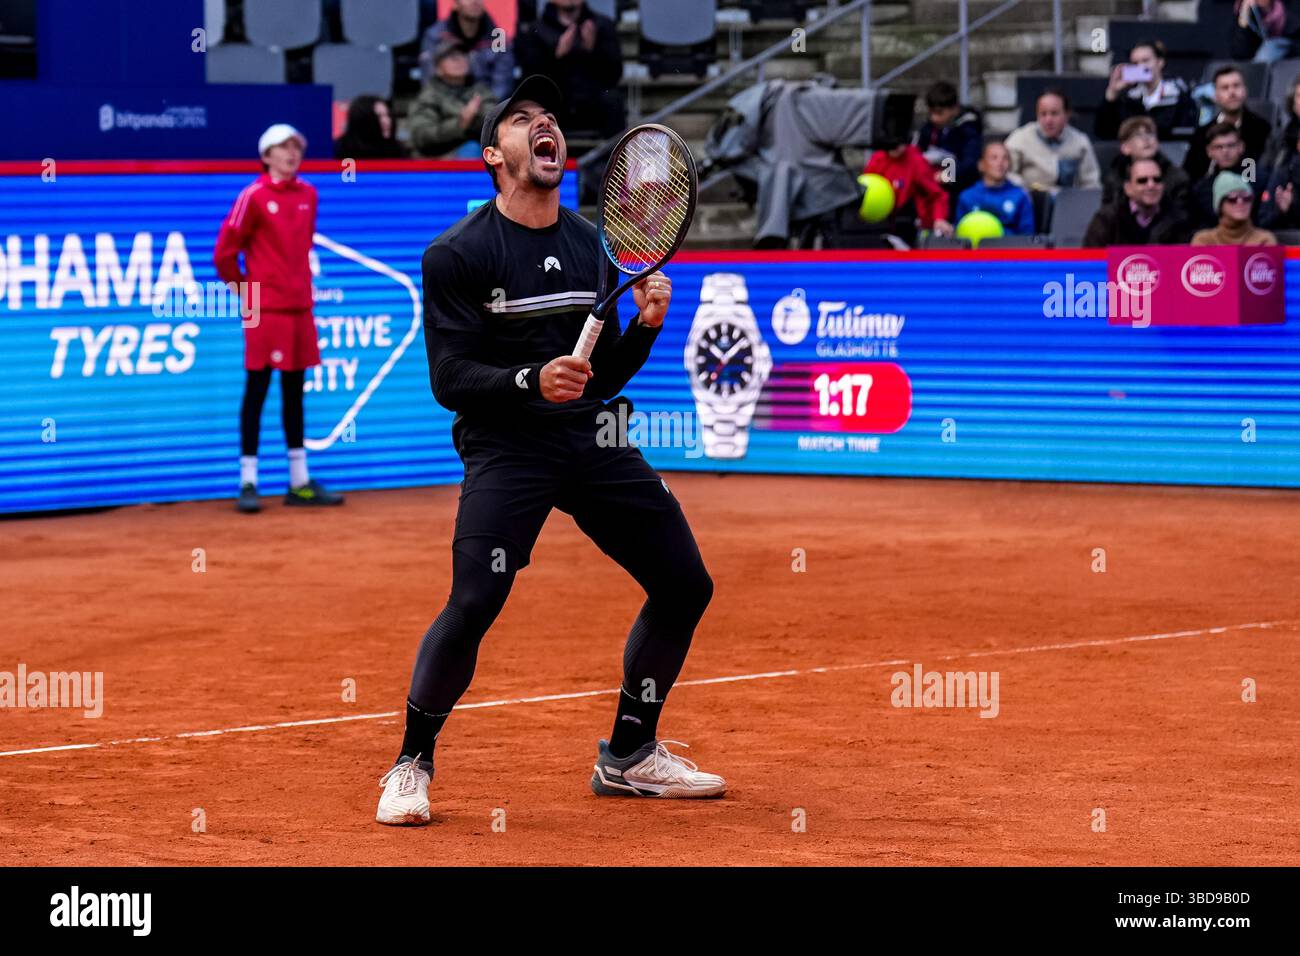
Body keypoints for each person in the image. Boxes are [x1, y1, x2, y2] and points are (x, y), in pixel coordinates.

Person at [374, 76, 723, 826]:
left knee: (685, 585)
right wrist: (531, 377)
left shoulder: (593, 245)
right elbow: (450, 379)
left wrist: (646, 328)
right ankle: (412, 763)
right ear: (492, 155)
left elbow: (597, 375)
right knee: (475, 600)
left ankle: (630, 755)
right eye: (523, 120)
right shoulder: (457, 255)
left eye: (552, 118)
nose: (544, 126)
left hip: (589, 437)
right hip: (507, 445)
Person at [213, 124, 344, 513]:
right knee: (257, 389)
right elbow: (224, 254)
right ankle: (248, 481)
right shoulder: (252, 196)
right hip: (262, 309)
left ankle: (299, 482)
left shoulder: (309, 194)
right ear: (266, 155)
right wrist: (248, 291)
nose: (291, 154)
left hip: (300, 308)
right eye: (282, 148)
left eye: (296, 148)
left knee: (293, 391)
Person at [515, 0, 624, 138]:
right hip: (557, 103)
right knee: (536, 105)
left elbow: (615, 75)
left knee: (613, 100)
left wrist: (592, 52)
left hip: (593, 102)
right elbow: (531, 80)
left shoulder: (601, 25)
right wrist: (557, 57)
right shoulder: (537, 30)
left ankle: (614, 157)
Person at [408, 41, 498, 158]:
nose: (459, 60)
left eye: (463, 55)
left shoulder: (481, 92)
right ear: (438, 69)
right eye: (451, 57)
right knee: (471, 149)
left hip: (483, 152)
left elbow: (496, 124)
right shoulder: (428, 97)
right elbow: (422, 136)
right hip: (440, 159)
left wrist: (473, 118)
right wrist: (460, 123)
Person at [1095, 39, 1198, 141]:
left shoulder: (1179, 96)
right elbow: (1104, 133)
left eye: (1145, 61)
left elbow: (1183, 134)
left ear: (1160, 62)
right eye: (1135, 63)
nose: (1141, 66)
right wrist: (1112, 92)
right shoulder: (1128, 98)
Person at [1184, 66, 1272, 181]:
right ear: (1215, 96)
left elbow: (1260, 172)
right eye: (1225, 88)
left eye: (1236, 86)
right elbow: (1190, 174)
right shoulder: (1202, 134)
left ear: (1245, 91)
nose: (1232, 92)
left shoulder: (1260, 129)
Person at [1005, 89, 1102, 192]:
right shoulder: (1019, 139)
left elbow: (1091, 183)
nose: (1048, 120)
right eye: (1043, 114)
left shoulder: (1080, 142)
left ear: (1066, 115)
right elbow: (1006, 174)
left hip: (1068, 201)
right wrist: (1024, 188)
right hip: (1030, 200)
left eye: (1054, 113)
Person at [1100, 116, 1192, 222]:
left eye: (1150, 134)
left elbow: (1183, 217)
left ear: (1157, 142)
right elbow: (1107, 217)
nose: (1146, 139)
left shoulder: (1177, 177)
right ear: (1125, 148)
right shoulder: (1114, 178)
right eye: (1138, 135)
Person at [1083, 157, 1190, 246]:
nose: (1151, 185)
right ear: (1128, 188)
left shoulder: (1178, 218)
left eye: (1157, 180)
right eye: (1142, 181)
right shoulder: (1107, 218)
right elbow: (1088, 262)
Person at [418, 0, 515, 100]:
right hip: (444, 108)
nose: (474, 1)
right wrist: (456, 111)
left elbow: (502, 86)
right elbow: (429, 83)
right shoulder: (435, 36)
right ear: (455, 4)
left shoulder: (499, 38)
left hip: (489, 107)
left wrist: (484, 110)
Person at [863, 138, 954, 241]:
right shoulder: (877, 158)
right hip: (878, 222)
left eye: (899, 143)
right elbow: (865, 191)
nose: (896, 148)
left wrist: (939, 218)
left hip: (909, 225)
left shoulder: (916, 161)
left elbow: (938, 195)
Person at [913, 80, 983, 204]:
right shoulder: (928, 128)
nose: (934, 118)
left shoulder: (968, 129)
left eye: (939, 113)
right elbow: (917, 152)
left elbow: (969, 164)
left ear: (954, 109)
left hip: (959, 188)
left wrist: (946, 175)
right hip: (930, 184)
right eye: (931, 112)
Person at [954, 141, 1035, 235]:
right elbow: (958, 235)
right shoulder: (967, 196)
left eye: (1005, 158)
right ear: (981, 165)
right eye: (994, 158)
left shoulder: (1020, 196)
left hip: (1009, 248)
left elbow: (1027, 237)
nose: (1000, 163)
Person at [1189, 123, 1257, 228]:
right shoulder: (1201, 188)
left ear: (1241, 147)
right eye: (1219, 147)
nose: (1225, 151)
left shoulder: (1258, 180)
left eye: (1231, 145)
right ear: (1209, 151)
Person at [1192, 171, 1278, 243]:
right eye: (1232, 198)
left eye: (1246, 198)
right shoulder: (1204, 240)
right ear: (1220, 205)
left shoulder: (1264, 240)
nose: (1240, 202)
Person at [333, 95, 409, 159]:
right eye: (379, 116)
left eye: (387, 115)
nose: (387, 121)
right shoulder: (339, 151)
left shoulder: (396, 151)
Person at [1231, 0, 1300, 64]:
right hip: (1255, 60)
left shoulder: (1284, 8)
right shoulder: (1246, 14)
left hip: (1287, 47)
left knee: (1269, 48)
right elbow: (1239, 52)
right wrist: (1244, 14)